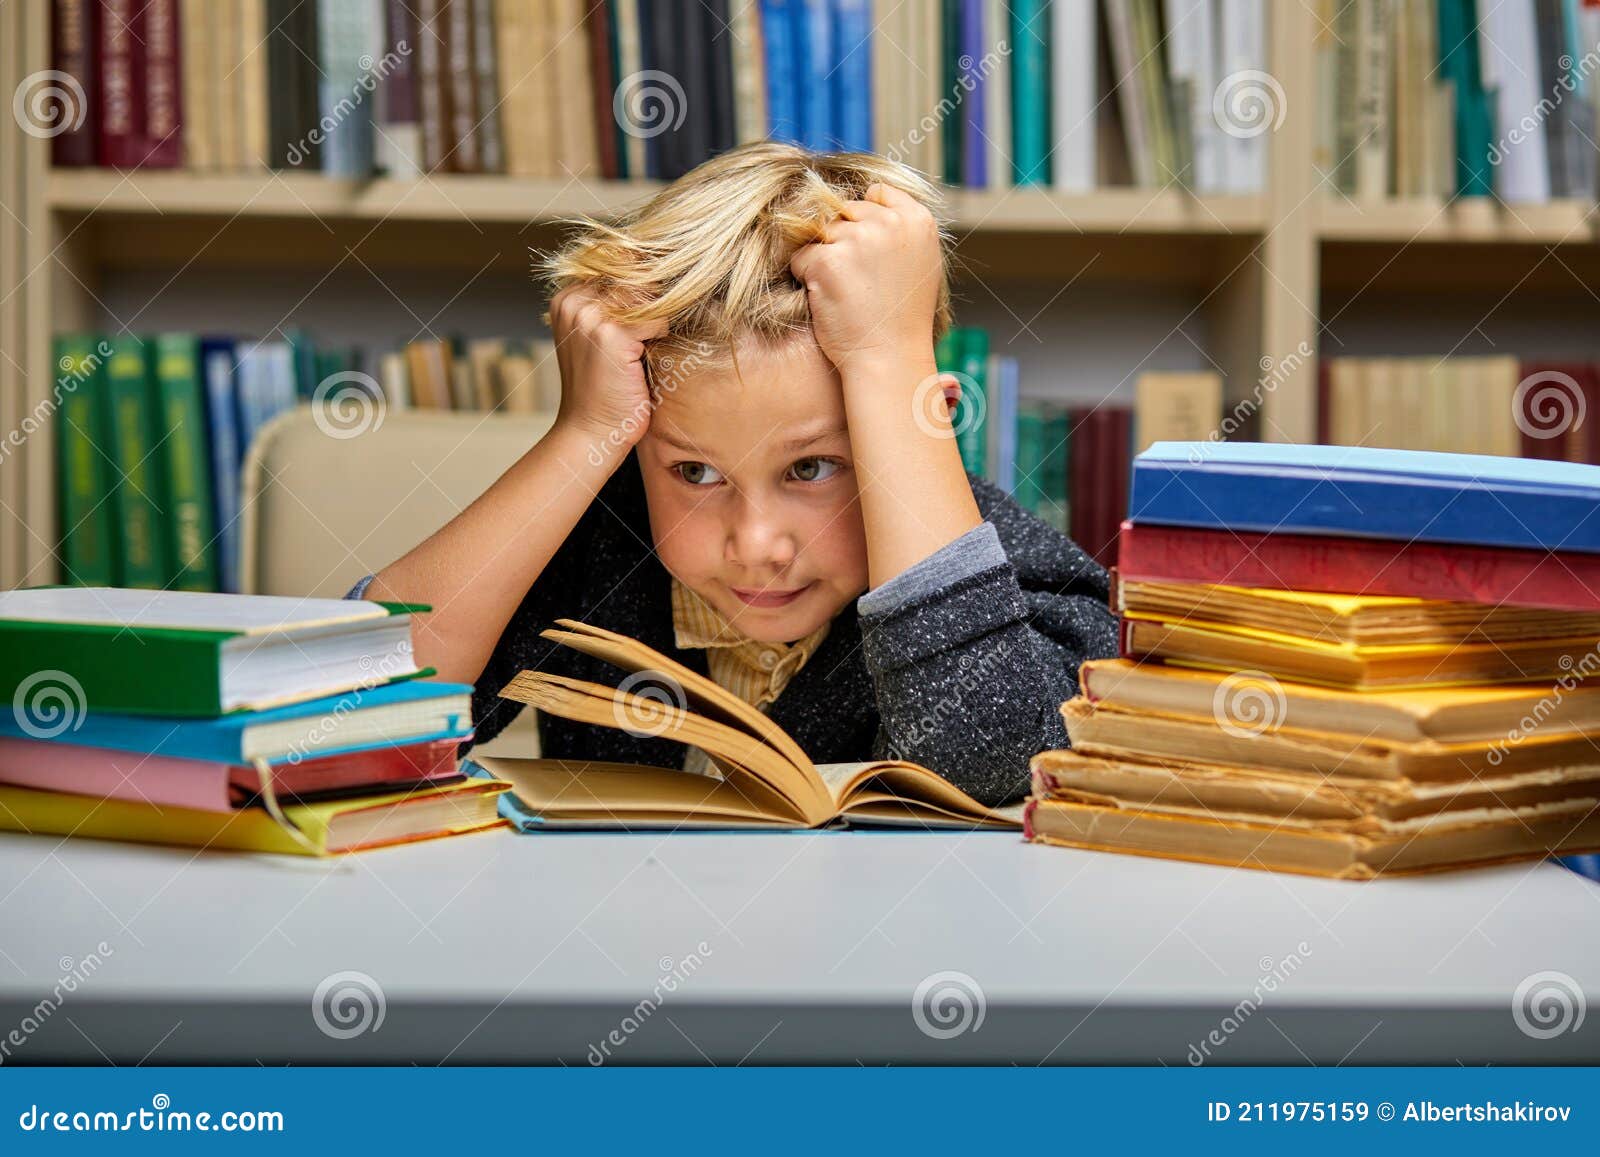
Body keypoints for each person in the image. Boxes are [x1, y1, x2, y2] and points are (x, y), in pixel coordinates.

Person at [349, 141, 1118, 807]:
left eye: (811, 467)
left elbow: (988, 764)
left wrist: (888, 364)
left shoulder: (1012, 581)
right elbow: (349, 726)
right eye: (693, 471)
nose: (756, 545)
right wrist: (583, 434)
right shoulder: (599, 545)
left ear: (909, 432)